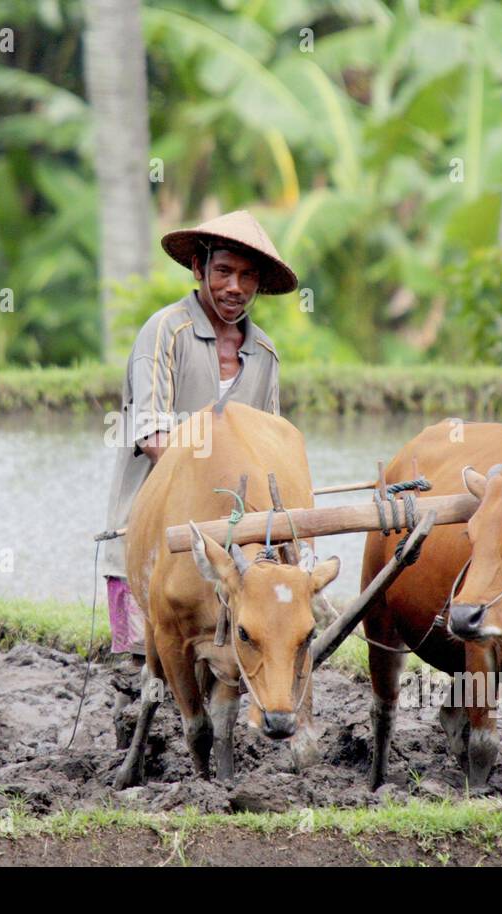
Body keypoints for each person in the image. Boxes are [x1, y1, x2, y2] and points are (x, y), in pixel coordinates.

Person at [101, 209, 299, 667]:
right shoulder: (166, 332)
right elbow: (153, 433)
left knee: (230, 658)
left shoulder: (264, 352)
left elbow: (269, 443)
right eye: (224, 271)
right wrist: (211, 495)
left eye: (247, 276)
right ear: (198, 269)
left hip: (236, 541)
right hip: (152, 527)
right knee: (136, 667)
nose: (235, 287)